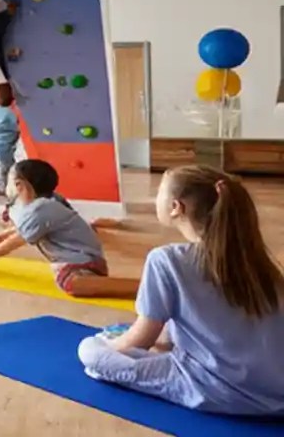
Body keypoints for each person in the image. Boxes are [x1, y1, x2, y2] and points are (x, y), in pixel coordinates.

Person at [77, 167, 284, 416]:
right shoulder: (259, 262)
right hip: (276, 393)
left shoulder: (166, 260)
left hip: (217, 390)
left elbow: (141, 341)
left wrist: (109, 344)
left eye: (159, 192)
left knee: (90, 350)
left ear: (176, 207)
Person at [0, 160, 140, 298]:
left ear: (20, 186)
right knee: (65, 280)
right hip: (78, 262)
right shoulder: (40, 205)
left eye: (10, 183)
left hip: (84, 263)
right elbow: (10, 233)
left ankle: (141, 288)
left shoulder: (41, 209)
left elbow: (9, 245)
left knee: (70, 284)